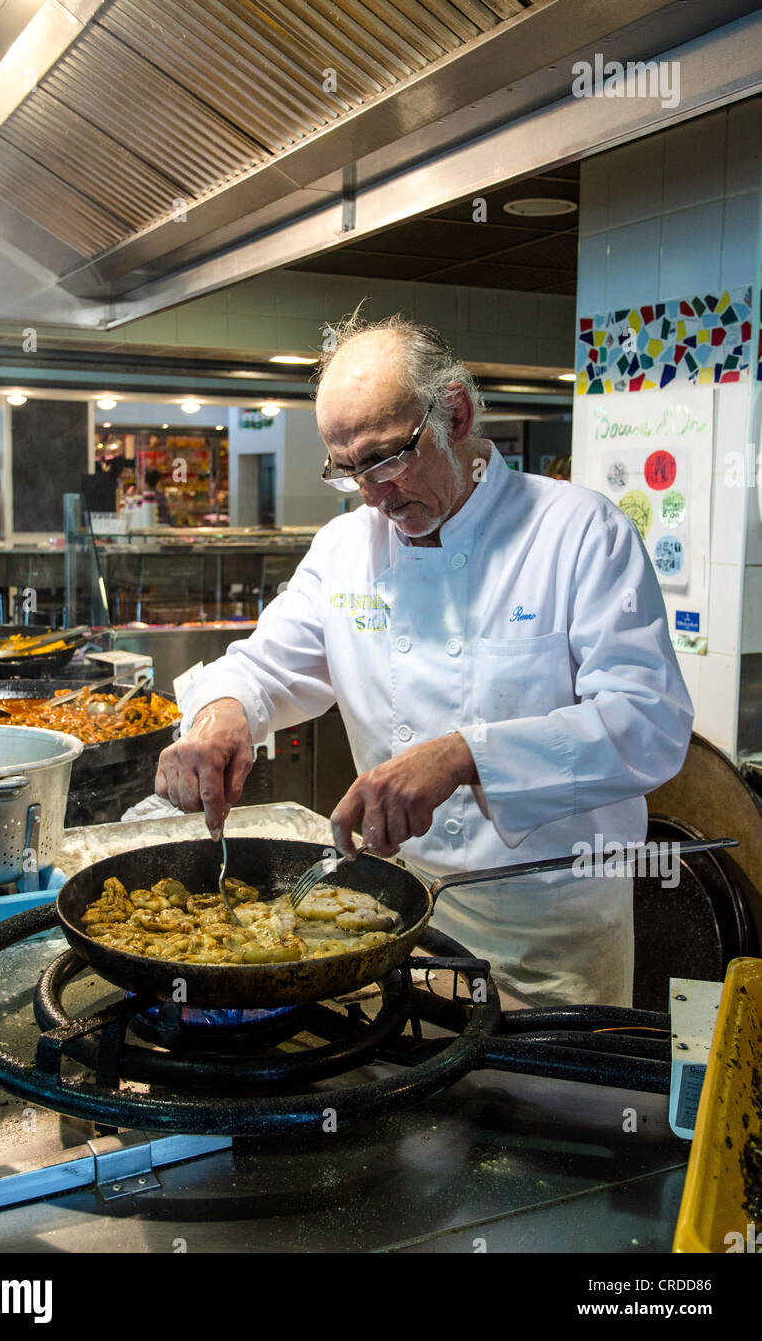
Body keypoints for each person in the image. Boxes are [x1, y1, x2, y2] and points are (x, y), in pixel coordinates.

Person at [155, 313, 694, 1007]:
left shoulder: (579, 532)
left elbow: (646, 724)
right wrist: (221, 714)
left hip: (550, 927)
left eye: (385, 457)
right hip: (396, 911)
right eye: (347, 470)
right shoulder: (347, 548)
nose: (373, 493)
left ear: (456, 414)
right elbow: (264, 666)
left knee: (540, 1112)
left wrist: (460, 756)